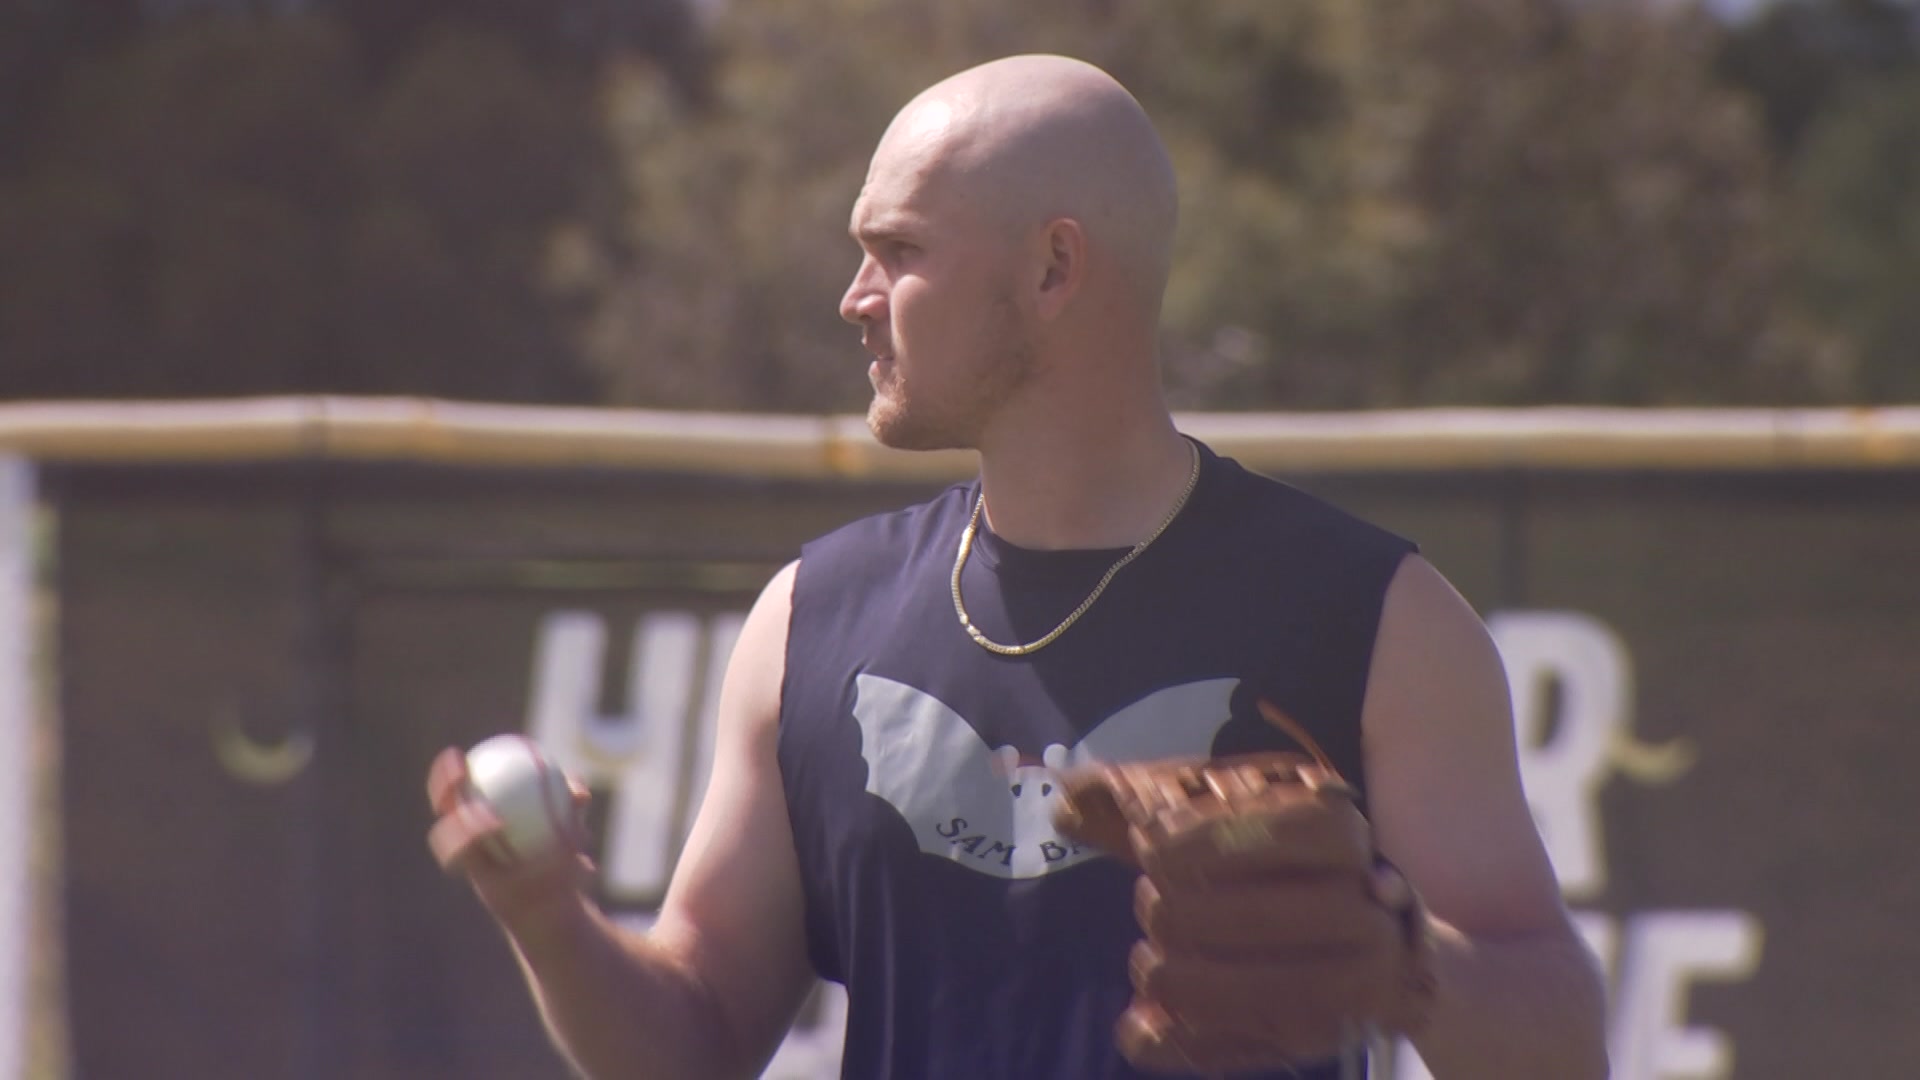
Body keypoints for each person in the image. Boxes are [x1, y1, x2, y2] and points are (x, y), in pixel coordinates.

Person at [427, 54, 1608, 1079]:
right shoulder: (813, 620)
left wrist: (1408, 964)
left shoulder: (1375, 619)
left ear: (1053, 270)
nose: (855, 299)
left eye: (899, 251)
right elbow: (691, 1042)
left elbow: (1563, 1048)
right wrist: (548, 920)